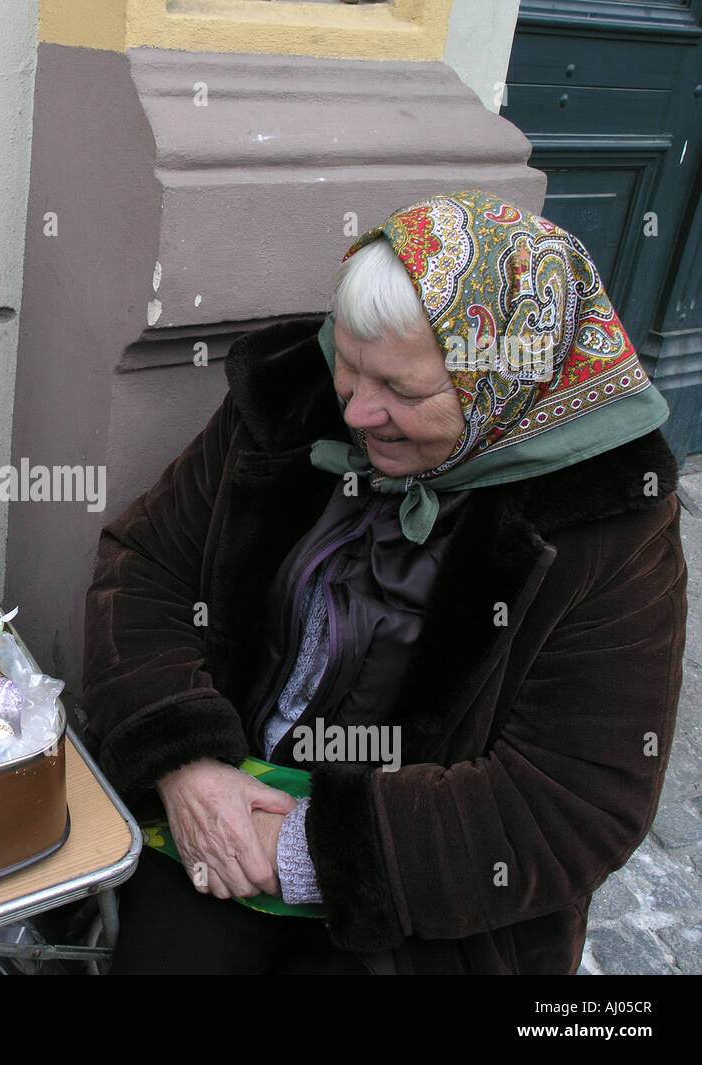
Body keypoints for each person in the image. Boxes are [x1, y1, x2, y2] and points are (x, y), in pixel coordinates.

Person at [81, 189, 687, 975]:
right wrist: (188, 761)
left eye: (403, 391)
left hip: (425, 898)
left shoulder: (609, 515)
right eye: (351, 366)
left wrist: (304, 851)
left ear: (502, 387)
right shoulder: (295, 399)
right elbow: (143, 567)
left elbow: (574, 800)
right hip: (220, 799)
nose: (360, 412)